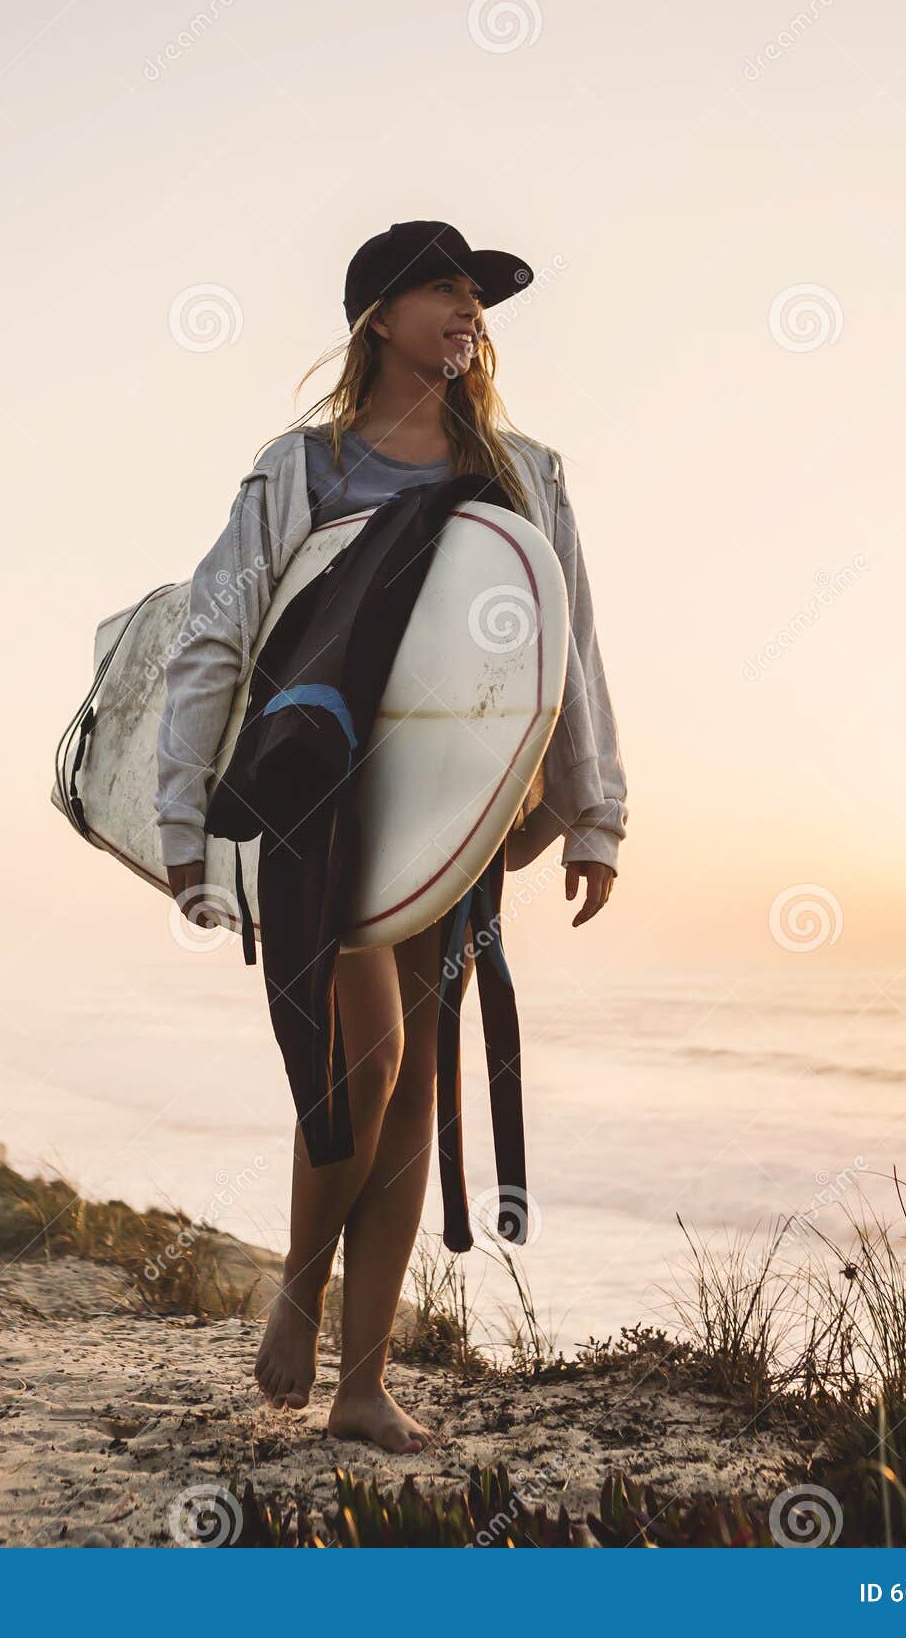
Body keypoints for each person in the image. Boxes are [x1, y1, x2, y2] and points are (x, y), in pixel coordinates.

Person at [154, 221, 627, 1453]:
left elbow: (561, 653)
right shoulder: (302, 469)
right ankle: (299, 1289)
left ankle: (361, 1385)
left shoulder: (523, 469)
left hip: (449, 815)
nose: (471, 311)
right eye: (446, 289)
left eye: (481, 298)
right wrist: (179, 814)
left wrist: (592, 812)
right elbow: (217, 632)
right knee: (361, 1068)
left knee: (414, 1077)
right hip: (321, 800)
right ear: (377, 315)